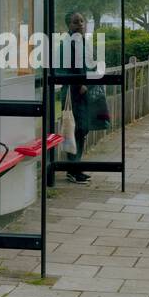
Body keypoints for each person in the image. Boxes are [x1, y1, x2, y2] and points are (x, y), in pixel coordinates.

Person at [60, 11, 91, 182]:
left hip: (81, 91)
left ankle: (76, 166)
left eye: (81, 21)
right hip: (73, 93)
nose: (80, 24)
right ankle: (72, 169)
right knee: (74, 129)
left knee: (82, 129)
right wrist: (80, 84)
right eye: (75, 22)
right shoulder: (70, 43)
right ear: (69, 26)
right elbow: (72, 66)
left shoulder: (81, 41)